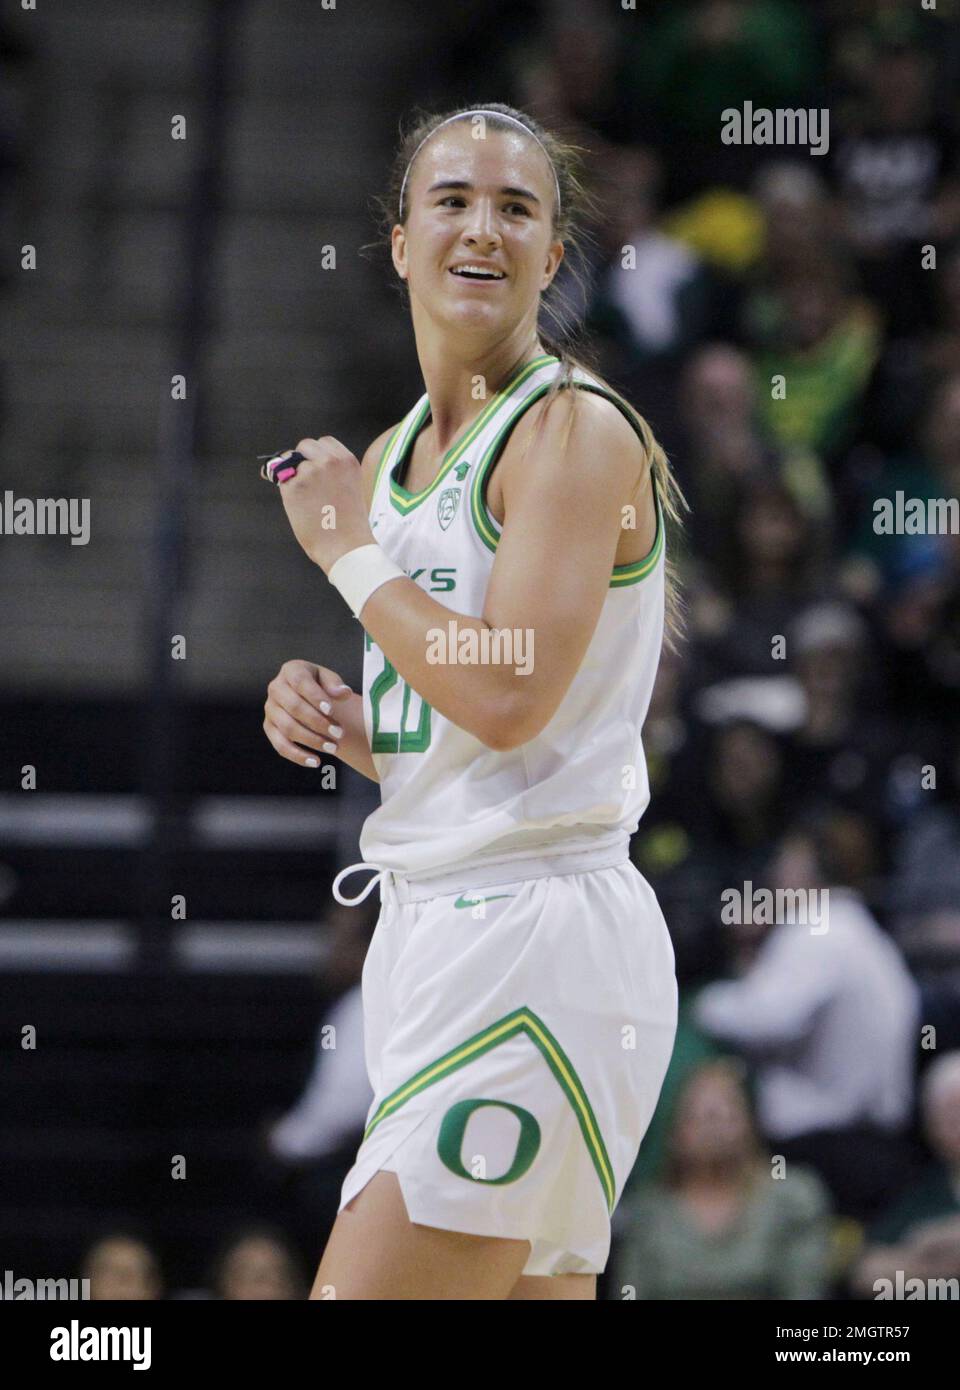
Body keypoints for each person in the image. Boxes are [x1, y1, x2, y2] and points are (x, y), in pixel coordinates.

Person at [260, 102, 683, 1300]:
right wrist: (352, 725)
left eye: (516, 207)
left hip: (532, 937)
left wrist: (345, 553)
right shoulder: (399, 452)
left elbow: (509, 697)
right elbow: (469, 735)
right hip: (436, 933)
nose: (481, 228)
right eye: (451, 200)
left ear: (553, 257)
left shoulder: (573, 429)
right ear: (400, 241)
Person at [610, 1059, 832, 1300]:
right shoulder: (648, 1210)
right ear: (673, 1132)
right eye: (698, 1114)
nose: (712, 1126)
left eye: (726, 1111)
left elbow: (804, 1292)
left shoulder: (791, 1198)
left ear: (751, 1122)